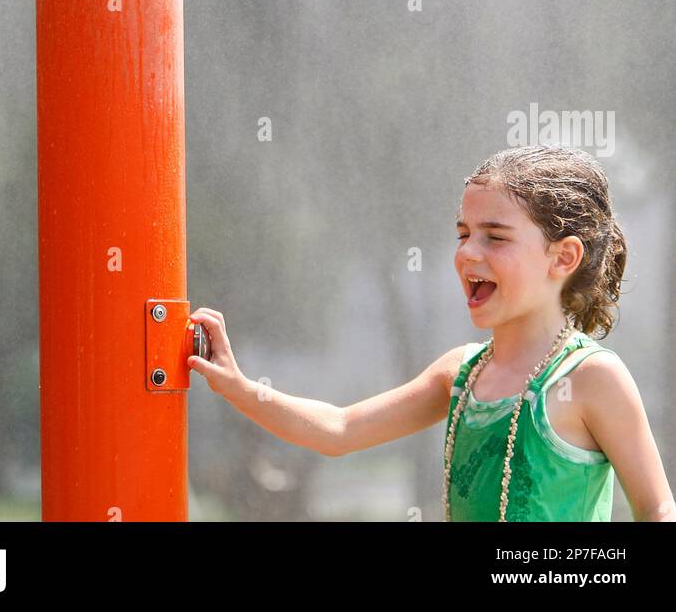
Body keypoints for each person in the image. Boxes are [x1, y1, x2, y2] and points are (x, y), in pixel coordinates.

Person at [187, 143, 675, 521]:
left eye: (495, 236)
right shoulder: (458, 375)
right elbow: (340, 430)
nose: (467, 252)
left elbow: (656, 509)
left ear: (563, 257)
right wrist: (241, 388)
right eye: (463, 233)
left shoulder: (592, 378)